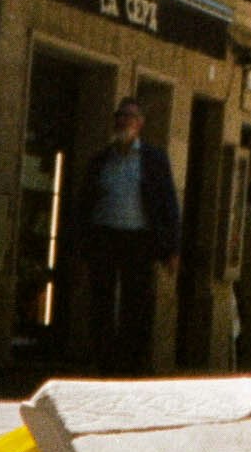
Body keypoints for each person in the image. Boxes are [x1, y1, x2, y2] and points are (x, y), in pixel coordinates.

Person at [75, 94, 180, 376]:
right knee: (102, 302)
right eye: (120, 117)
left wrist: (171, 249)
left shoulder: (153, 160)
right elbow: (84, 203)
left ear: (140, 124)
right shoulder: (101, 160)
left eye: (130, 117)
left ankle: (132, 364)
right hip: (104, 238)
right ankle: (105, 362)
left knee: (137, 304)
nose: (123, 122)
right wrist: (81, 245)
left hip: (139, 240)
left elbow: (168, 203)